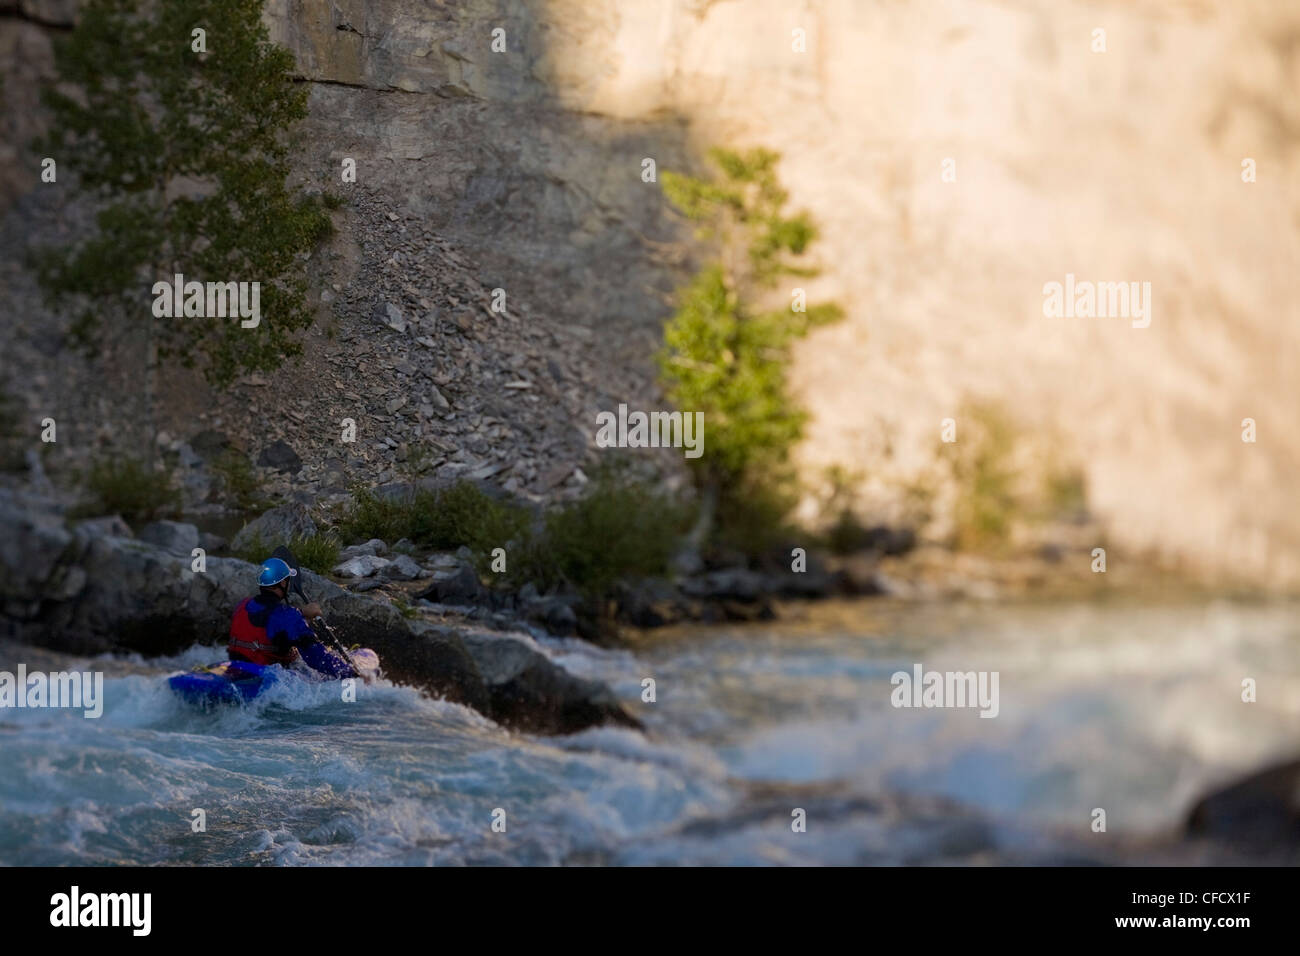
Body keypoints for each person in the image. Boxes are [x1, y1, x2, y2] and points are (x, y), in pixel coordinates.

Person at [228, 557, 354, 678]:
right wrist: (349, 673)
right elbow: (316, 658)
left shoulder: (243, 605)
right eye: (288, 580)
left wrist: (301, 614)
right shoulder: (288, 616)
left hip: (236, 669)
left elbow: (267, 617)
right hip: (264, 679)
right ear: (283, 583)